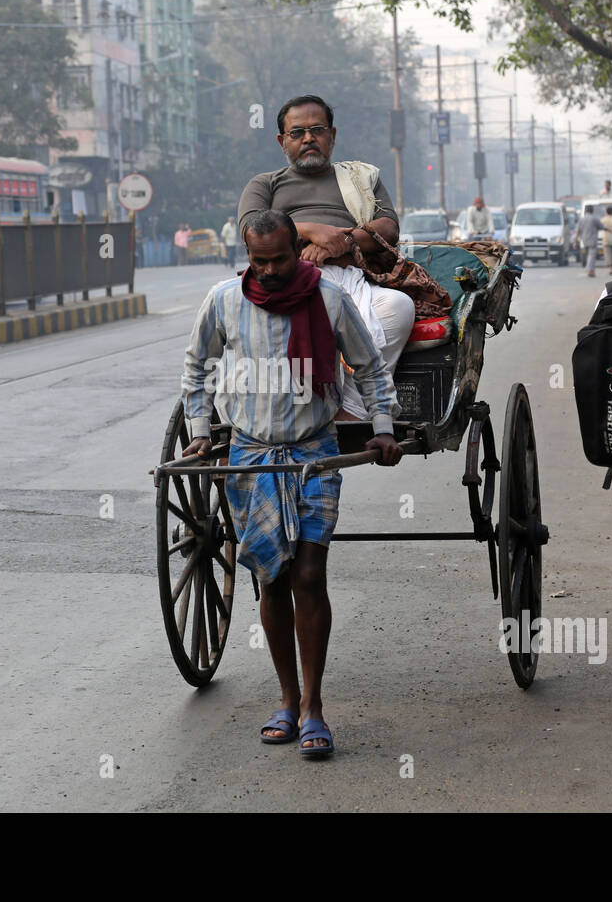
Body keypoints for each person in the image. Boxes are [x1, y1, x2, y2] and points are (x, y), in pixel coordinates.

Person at [180, 209, 402, 756]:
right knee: (272, 580)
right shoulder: (223, 301)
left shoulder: (327, 299)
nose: (272, 270)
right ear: (247, 256)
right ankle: (285, 697)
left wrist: (382, 427)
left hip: (313, 453)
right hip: (252, 455)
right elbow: (197, 366)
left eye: (281, 258)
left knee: (308, 573)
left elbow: (369, 366)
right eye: (260, 261)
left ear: (293, 250)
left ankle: (313, 707)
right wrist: (201, 429)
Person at [237, 94, 429, 423]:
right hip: (286, 281)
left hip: (350, 281)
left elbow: (388, 228)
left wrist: (341, 242)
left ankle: (352, 409)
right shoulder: (265, 184)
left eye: (317, 129)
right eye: (297, 133)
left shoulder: (361, 178)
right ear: (282, 142)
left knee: (398, 309)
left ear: (332, 136)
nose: (308, 138)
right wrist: (313, 231)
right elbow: (250, 230)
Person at [576, 206, 600, 277]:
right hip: (592, 240)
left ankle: (589, 269)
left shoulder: (581, 219)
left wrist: (575, 241)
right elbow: (601, 226)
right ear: (592, 210)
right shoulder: (594, 219)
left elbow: (577, 231)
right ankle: (590, 270)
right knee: (591, 256)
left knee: (588, 255)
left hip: (584, 240)